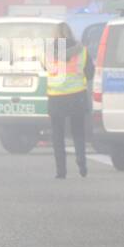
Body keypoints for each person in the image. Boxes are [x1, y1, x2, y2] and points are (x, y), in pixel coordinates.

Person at [46, 22, 92, 179]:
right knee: (78, 132)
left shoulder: (48, 52)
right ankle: (81, 161)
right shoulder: (82, 51)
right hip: (76, 96)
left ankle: (61, 171)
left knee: (57, 135)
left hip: (56, 98)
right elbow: (90, 73)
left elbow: (44, 68)